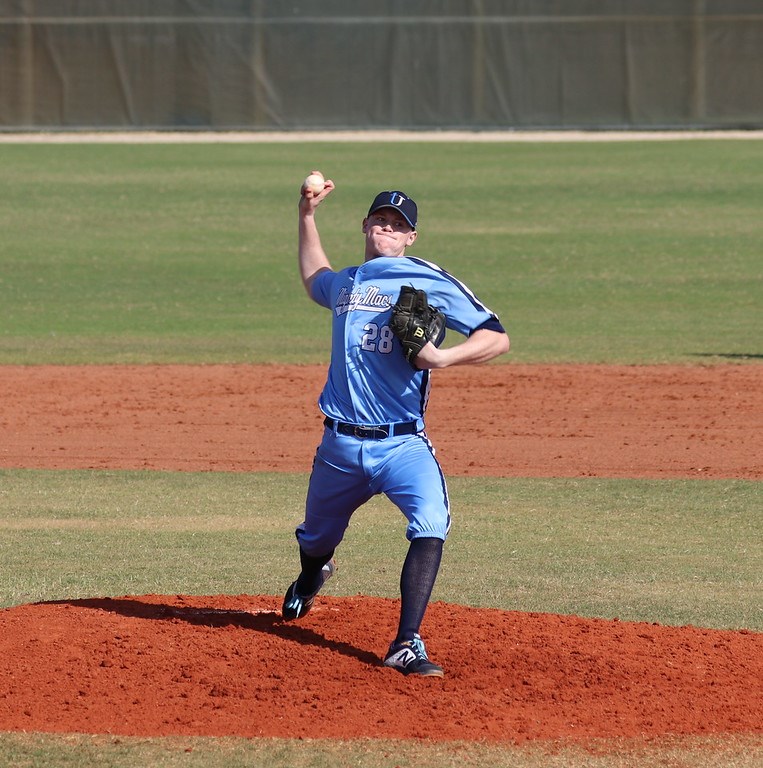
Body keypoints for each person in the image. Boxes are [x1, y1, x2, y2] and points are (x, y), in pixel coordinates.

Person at [282, 173, 510, 677]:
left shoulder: (428, 280)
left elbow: (497, 336)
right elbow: (312, 276)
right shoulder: (346, 283)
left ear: (410, 238)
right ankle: (311, 575)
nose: (387, 228)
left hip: (403, 444)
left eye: (398, 225)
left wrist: (442, 358)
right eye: (380, 220)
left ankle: (406, 641)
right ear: (365, 226)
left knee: (431, 525)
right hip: (338, 447)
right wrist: (306, 215)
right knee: (315, 540)